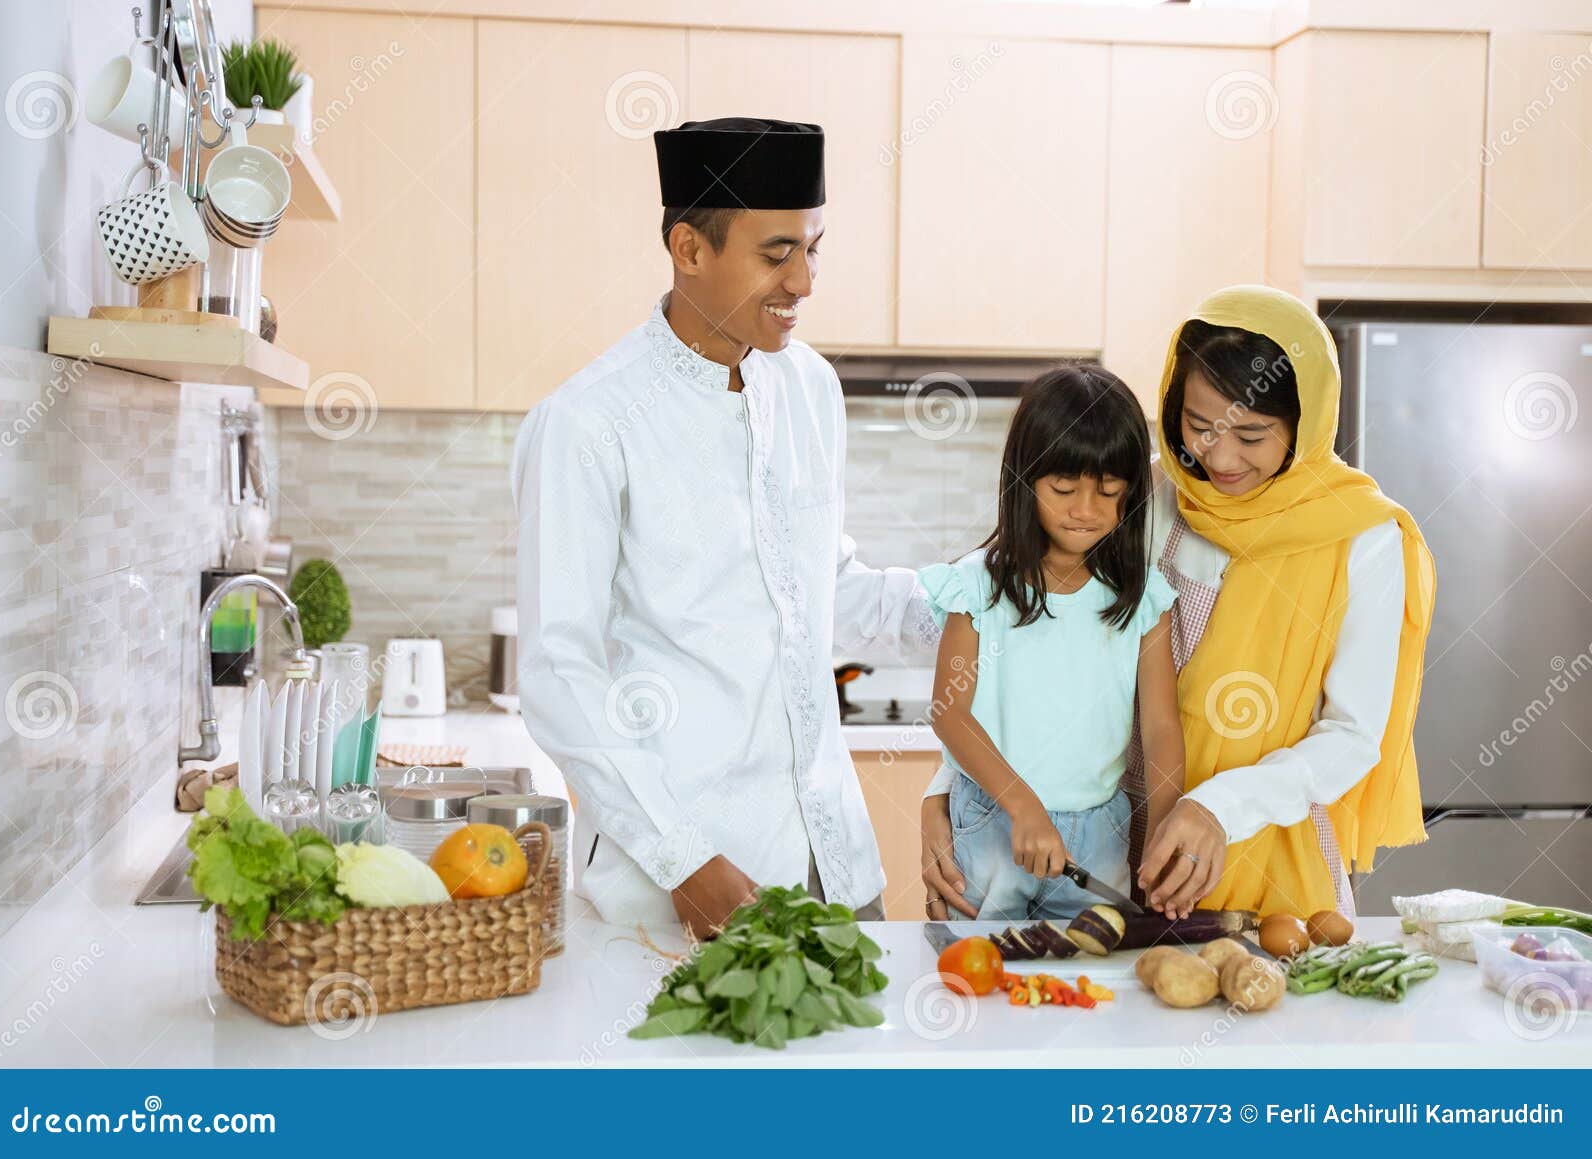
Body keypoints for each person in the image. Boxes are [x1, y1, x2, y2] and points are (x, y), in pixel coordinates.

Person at [511, 117, 939, 937]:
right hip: (687, 882)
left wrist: (986, 602)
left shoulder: (811, 388)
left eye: (814, 249)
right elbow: (561, 669)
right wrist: (681, 858)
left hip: (837, 870)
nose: (804, 280)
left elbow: (822, 593)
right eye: (777, 254)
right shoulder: (586, 424)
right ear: (689, 249)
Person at [923, 285, 1435, 922]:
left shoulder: (1364, 538)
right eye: (1199, 426)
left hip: (1264, 844)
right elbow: (1032, 665)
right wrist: (951, 798)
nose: (1219, 457)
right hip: (1117, 844)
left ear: (1304, 424)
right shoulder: (1150, 494)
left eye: (1251, 435)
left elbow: (1353, 737)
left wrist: (1219, 808)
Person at [919, 364, 1184, 922]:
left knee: (1095, 970)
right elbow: (949, 713)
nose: (1086, 510)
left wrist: (1163, 832)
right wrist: (1023, 806)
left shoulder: (1143, 598)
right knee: (978, 967)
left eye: (1108, 491)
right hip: (994, 820)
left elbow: (1161, 727)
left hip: (1100, 832)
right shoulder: (976, 588)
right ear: (1025, 480)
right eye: (1063, 489)